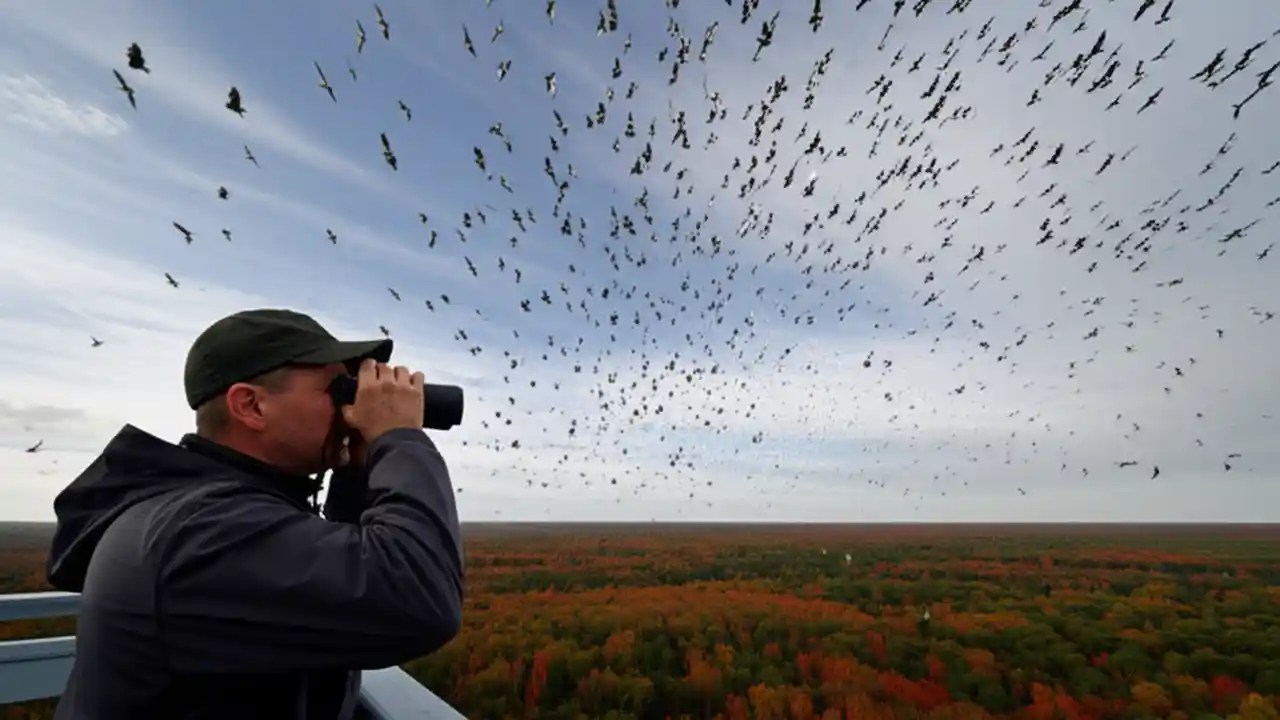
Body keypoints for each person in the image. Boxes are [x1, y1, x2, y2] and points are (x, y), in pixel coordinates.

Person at [44, 308, 465, 719]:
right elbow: (418, 599)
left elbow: (343, 587)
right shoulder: (201, 528)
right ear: (251, 406)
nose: (351, 408)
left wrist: (358, 470)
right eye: (339, 389)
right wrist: (401, 438)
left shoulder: (209, 508)